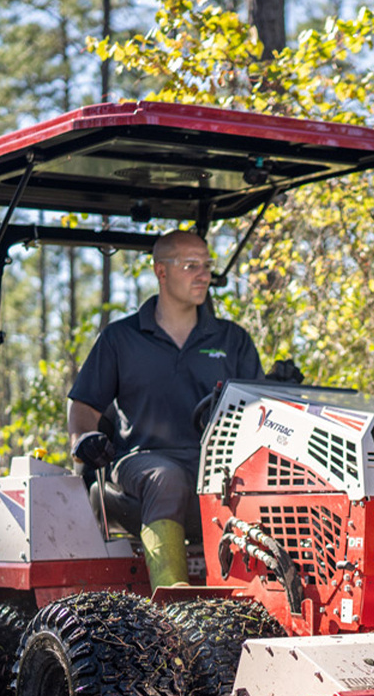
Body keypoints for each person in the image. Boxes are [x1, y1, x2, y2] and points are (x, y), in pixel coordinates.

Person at [67, 229, 262, 588]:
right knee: (166, 477)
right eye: (191, 266)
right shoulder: (121, 338)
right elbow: (84, 405)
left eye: (207, 265)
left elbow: (262, 410)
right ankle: (172, 598)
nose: (204, 275)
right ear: (161, 271)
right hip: (141, 460)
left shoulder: (232, 340)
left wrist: (282, 387)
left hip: (215, 462)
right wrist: (84, 440)